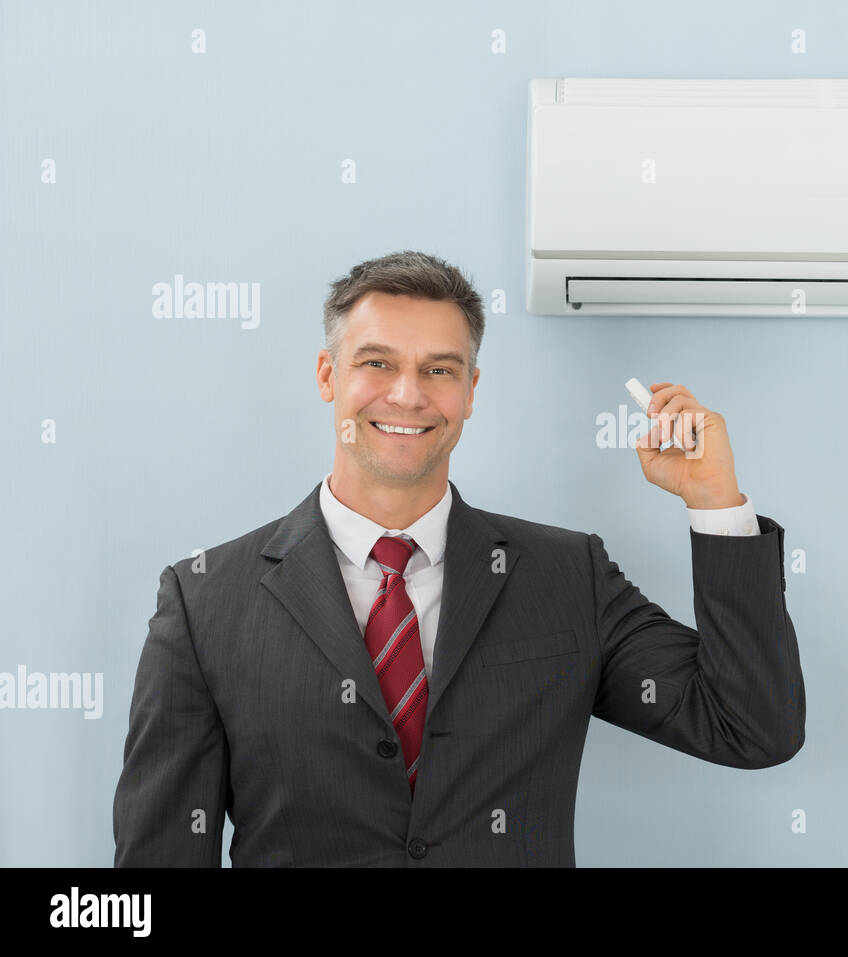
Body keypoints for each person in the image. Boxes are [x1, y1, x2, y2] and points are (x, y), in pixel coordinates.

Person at [113, 250, 805, 867]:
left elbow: (750, 725)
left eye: (439, 369)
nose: (408, 394)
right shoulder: (205, 602)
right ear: (329, 375)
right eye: (377, 361)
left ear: (471, 390)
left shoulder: (568, 578)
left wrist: (715, 502)